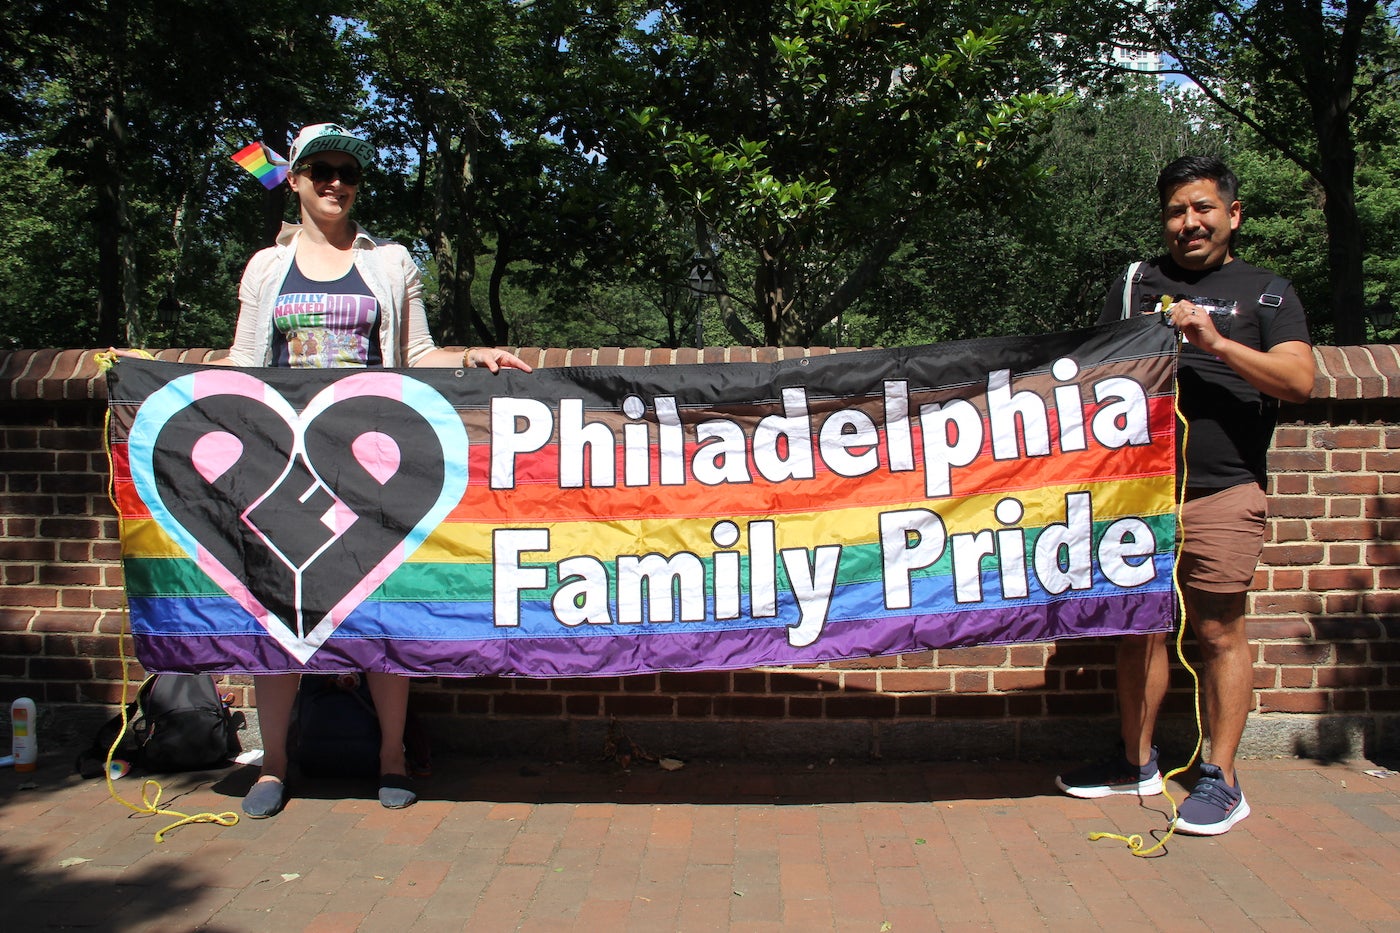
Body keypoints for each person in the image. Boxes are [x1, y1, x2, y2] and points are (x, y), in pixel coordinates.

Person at [221, 122, 532, 818]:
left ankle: (390, 755)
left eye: (347, 172)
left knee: (380, 611)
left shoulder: (390, 263)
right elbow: (243, 368)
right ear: (295, 179)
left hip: (371, 466)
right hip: (283, 468)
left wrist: (474, 355)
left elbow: (418, 356)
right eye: (321, 170)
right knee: (279, 615)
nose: (336, 182)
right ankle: (274, 765)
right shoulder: (265, 269)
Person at [1054, 155, 1315, 835]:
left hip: (1221, 492)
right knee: (1137, 630)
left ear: (1233, 215)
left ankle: (1222, 778)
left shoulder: (1266, 292)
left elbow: (1298, 380)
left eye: (1202, 208)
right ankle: (1135, 761)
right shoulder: (1137, 283)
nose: (1189, 222)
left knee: (1219, 630)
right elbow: (1090, 370)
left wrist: (1217, 342)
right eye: (1176, 209)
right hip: (1138, 495)